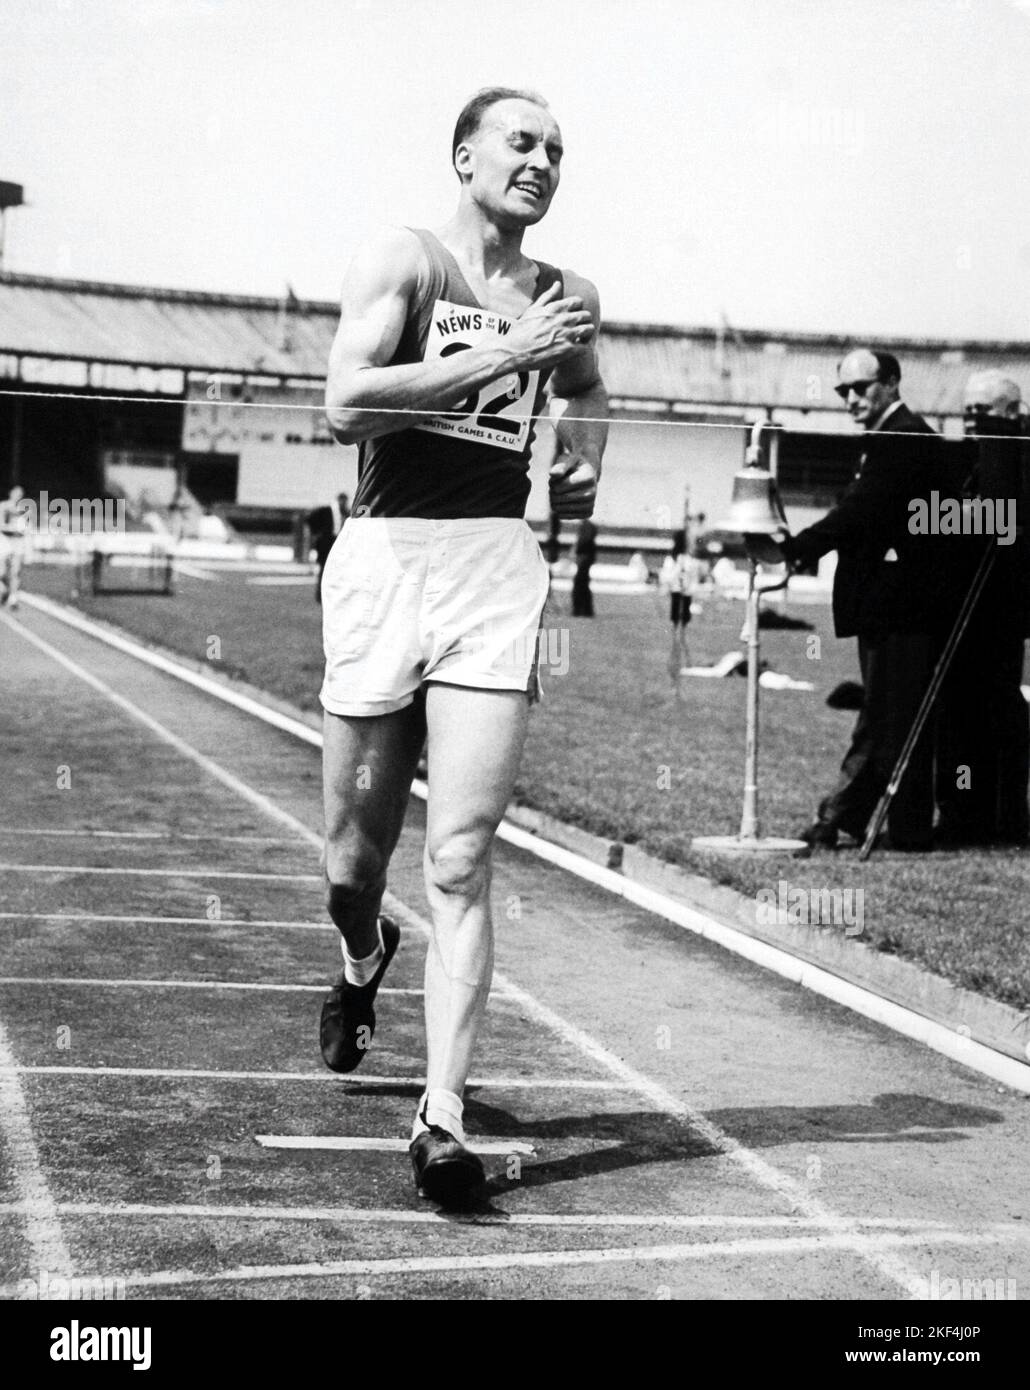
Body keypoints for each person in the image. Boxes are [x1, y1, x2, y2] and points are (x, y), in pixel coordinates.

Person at [318, 87, 608, 1206]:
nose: (541, 162)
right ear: (465, 155)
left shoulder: (569, 296)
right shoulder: (405, 258)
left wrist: (583, 455)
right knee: (353, 867)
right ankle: (358, 958)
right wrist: (500, 357)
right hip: (388, 557)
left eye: (557, 151)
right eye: (522, 142)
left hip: (494, 563)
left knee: (459, 855)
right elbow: (346, 403)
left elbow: (583, 390)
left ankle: (438, 1116)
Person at [782, 349, 965, 851]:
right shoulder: (890, 437)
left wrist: (799, 548)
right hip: (895, 604)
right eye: (843, 391)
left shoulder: (902, 438)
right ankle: (886, 825)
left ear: (890, 382)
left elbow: (861, 510)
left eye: (860, 387)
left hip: (902, 606)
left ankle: (857, 820)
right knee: (891, 716)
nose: (850, 399)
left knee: (888, 719)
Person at [935, 370, 1029, 845]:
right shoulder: (971, 456)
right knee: (958, 721)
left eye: (983, 411)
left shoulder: (1016, 456)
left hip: (998, 612)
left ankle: (1001, 818)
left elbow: (1000, 515)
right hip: (962, 610)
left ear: (1011, 413)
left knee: (997, 715)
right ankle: (962, 813)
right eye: (968, 411)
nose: (972, 420)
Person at [659, 528, 697, 694]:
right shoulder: (678, 559)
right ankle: (679, 657)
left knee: (679, 627)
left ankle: (684, 658)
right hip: (680, 594)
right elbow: (671, 577)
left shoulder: (682, 560)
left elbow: (669, 577)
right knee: (679, 628)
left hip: (682, 594)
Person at [306, 491, 350, 602]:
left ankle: (330, 594)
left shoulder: (344, 513)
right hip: (325, 545)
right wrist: (318, 533)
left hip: (336, 544)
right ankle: (320, 595)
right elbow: (310, 519)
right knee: (324, 571)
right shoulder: (326, 510)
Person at [0, 485, 27, 609]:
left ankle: (13, 597)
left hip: (18, 541)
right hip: (5, 540)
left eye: (20, 495)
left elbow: (25, 528)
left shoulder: (25, 509)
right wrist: (11, 528)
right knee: (3, 571)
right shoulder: (3, 506)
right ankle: (5, 590)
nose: (18, 497)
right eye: (16, 494)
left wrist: (21, 530)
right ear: (11, 493)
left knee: (16, 571)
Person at [570, 517, 597, 616]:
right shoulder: (588, 526)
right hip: (586, 558)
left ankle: (579, 610)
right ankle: (586, 610)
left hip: (584, 558)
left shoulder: (585, 527)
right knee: (583, 584)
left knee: (579, 584)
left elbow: (583, 542)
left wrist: (577, 551)